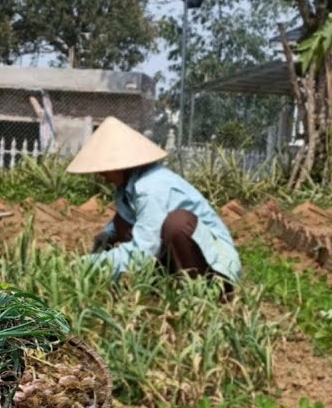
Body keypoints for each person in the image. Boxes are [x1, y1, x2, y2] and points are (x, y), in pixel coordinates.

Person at [67, 117, 241, 298]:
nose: (100, 174)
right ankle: (162, 283)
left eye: (104, 168)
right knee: (121, 222)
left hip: (214, 263)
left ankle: (205, 291)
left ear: (121, 164)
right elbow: (125, 218)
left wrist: (89, 265)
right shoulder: (127, 187)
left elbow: (144, 249)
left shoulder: (151, 188)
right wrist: (105, 236)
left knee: (177, 224)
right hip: (176, 250)